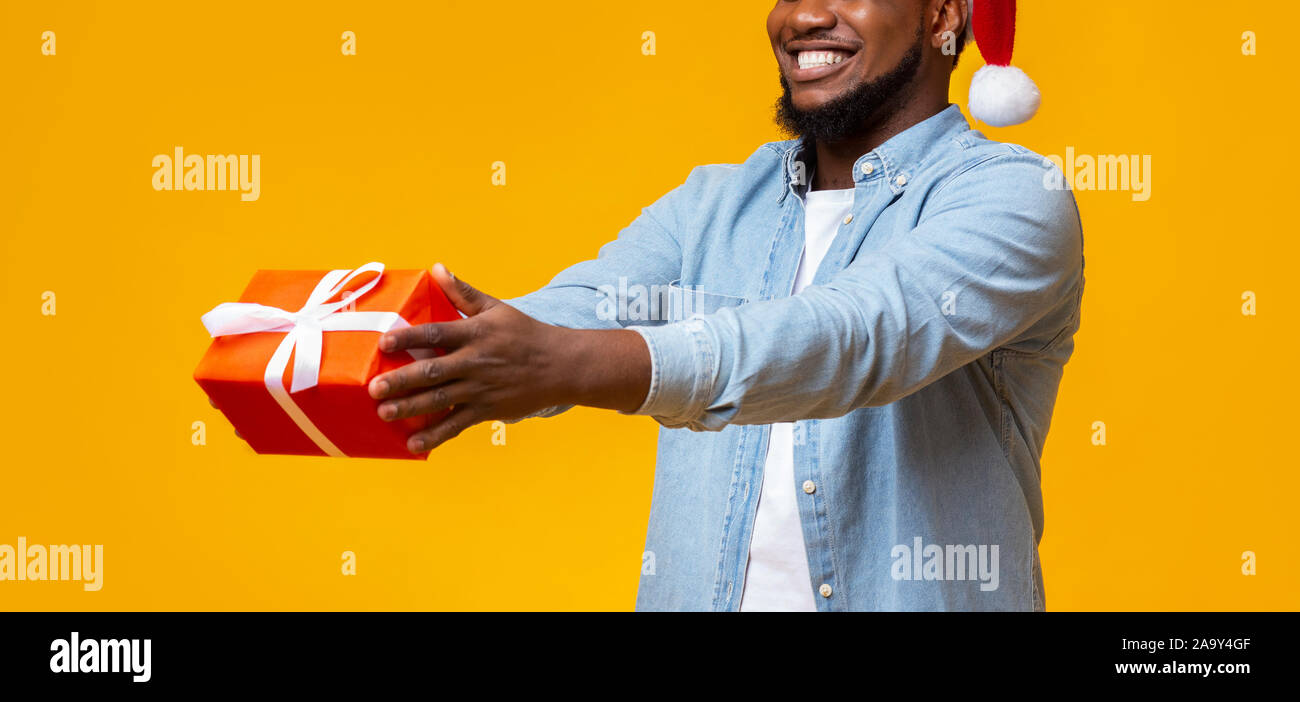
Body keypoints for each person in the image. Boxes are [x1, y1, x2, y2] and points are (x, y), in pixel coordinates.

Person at [367, 0, 1083, 611]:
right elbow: (576, 311)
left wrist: (566, 363)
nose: (801, 17)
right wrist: (388, 345)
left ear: (943, 14)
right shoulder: (713, 203)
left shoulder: (1014, 197)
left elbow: (854, 337)